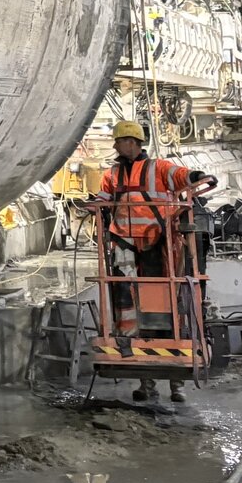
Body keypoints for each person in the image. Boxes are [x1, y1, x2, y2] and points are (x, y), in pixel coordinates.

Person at [94, 120, 192, 403]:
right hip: (125, 244)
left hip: (156, 244)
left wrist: (198, 176)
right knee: (128, 303)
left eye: (119, 141)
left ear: (133, 142)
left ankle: (176, 384)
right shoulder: (112, 173)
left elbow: (181, 175)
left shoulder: (157, 168)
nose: (116, 146)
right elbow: (103, 198)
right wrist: (93, 205)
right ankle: (146, 383)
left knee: (164, 304)